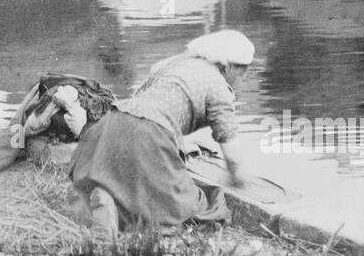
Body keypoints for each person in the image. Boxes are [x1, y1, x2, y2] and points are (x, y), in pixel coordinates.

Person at [68, 29, 254, 235]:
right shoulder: (219, 87)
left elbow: (147, 105)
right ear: (226, 66)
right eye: (244, 70)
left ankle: (107, 201)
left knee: (126, 180)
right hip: (150, 135)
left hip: (113, 122)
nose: (244, 77)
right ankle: (120, 213)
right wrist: (238, 178)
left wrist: (176, 145)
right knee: (193, 205)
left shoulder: (175, 63)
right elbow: (231, 151)